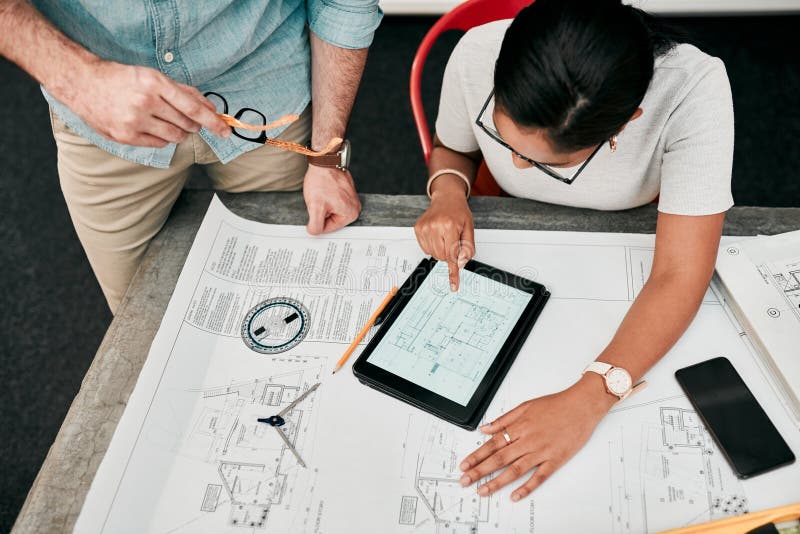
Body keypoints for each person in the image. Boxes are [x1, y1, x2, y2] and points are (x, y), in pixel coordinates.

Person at [414, 0, 733, 501]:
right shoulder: (477, 52)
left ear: (626, 122)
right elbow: (454, 149)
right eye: (506, 138)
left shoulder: (694, 88)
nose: (515, 168)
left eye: (549, 160)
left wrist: (591, 397)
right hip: (521, 244)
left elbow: (680, 272)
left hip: (631, 241)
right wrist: (450, 192)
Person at [0, 0, 381, 312]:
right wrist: (82, 81)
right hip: (104, 115)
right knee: (141, 322)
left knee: (290, 290)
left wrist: (326, 157)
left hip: (266, 85)